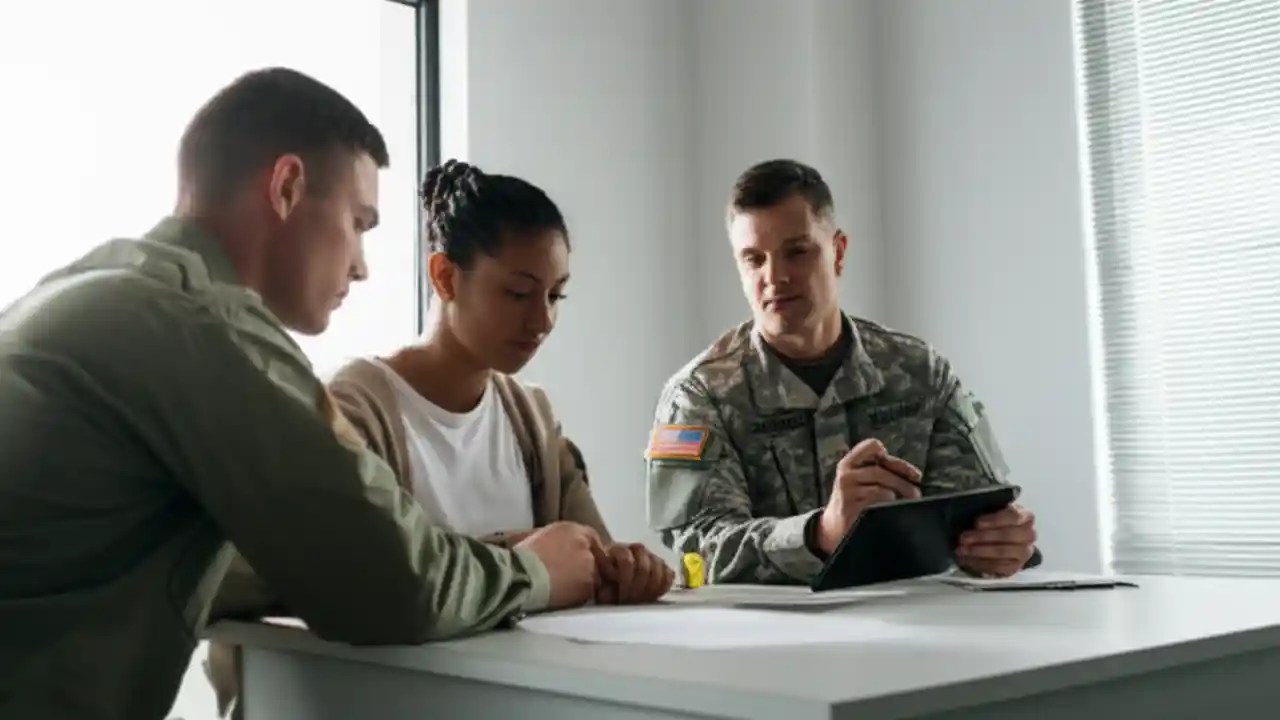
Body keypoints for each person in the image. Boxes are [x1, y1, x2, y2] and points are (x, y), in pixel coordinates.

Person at [0, 68, 600, 720]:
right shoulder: (206, 326)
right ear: (286, 187)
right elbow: (389, 582)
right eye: (359, 221)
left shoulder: (83, 291)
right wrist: (533, 572)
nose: (363, 264)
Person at [205, 159, 674, 716]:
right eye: (519, 293)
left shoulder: (532, 417)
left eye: (556, 296)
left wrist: (630, 570)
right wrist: (522, 556)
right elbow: (356, 576)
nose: (542, 320)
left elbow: (586, 561)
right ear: (446, 277)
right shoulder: (352, 409)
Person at [645, 159, 1040, 585]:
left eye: (797, 252)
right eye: (753, 260)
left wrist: (1000, 543)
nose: (774, 277)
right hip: (769, 641)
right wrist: (820, 534)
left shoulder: (919, 372)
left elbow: (973, 515)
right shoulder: (700, 395)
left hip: (917, 631)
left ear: (838, 251)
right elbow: (697, 553)